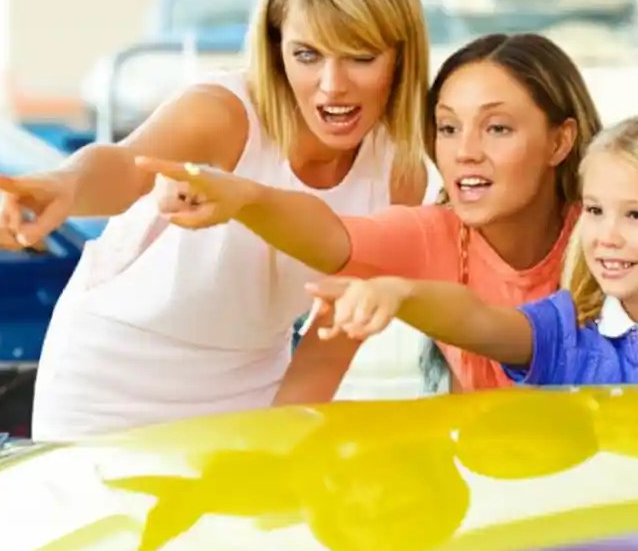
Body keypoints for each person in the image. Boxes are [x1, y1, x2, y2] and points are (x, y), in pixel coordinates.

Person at [0, 0, 432, 440]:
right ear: (276, 47)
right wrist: (65, 184)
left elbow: (330, 343)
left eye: (361, 57)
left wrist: (279, 441)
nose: (332, 86)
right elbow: (126, 167)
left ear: (401, 54)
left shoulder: (399, 176)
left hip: (249, 383)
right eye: (307, 55)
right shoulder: (223, 114)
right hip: (113, 376)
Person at [135, 33, 604, 401]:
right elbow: (330, 234)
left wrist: (403, 296)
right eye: (447, 127)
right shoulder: (433, 234)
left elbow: (494, 325)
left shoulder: (608, 234)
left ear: (559, 142)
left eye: (497, 128)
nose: (464, 152)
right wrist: (244, 198)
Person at [303, 115, 638, 388]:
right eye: (595, 211)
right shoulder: (562, 329)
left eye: (636, 215)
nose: (607, 235)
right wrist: (400, 295)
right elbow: (476, 320)